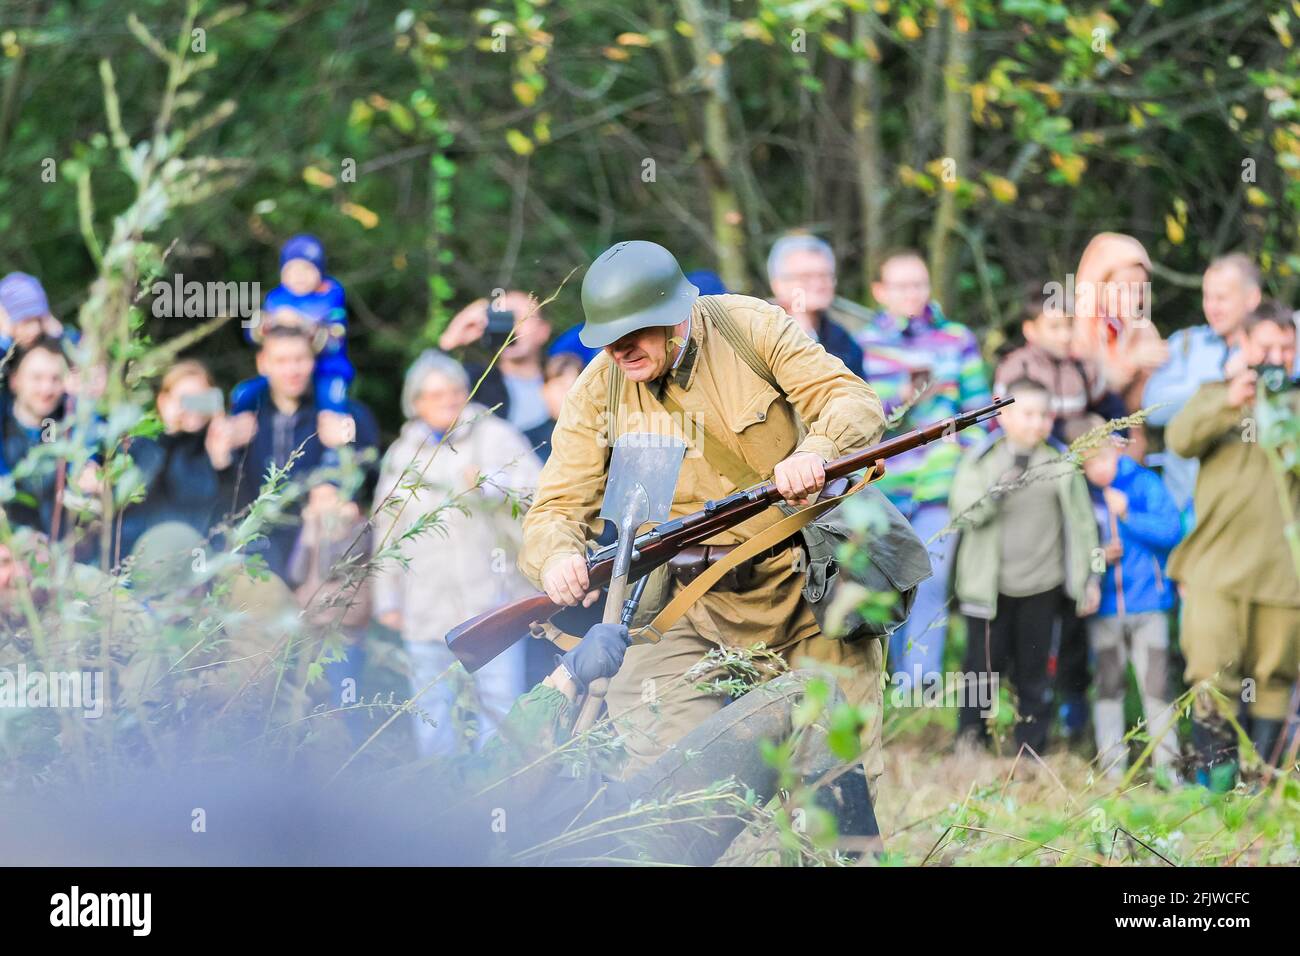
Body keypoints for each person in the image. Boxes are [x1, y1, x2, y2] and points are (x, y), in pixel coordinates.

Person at [521, 239, 893, 779]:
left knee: (833, 780)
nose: (619, 351)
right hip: (687, 606)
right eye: (607, 340)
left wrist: (816, 452)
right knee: (665, 771)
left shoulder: (751, 327)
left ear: (674, 318)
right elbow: (555, 506)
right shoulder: (599, 388)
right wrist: (557, 558)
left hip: (807, 595)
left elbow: (851, 399)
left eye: (632, 334)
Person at [371, 351, 542, 756]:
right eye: (435, 395)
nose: (449, 402)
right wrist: (386, 598)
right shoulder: (402, 453)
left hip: (493, 604)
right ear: (415, 404)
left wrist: (491, 487)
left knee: (500, 708)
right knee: (432, 710)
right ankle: (442, 800)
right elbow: (388, 530)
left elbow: (539, 495)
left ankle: (494, 791)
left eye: (455, 392)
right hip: (424, 606)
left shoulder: (495, 435)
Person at [1165, 300, 1300, 789]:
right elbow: (1179, 440)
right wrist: (1231, 400)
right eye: (1267, 346)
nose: (1278, 356)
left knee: (1274, 681)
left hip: (1283, 574)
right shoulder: (1214, 394)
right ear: (1242, 346)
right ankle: (1213, 794)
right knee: (1210, 677)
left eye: (1288, 347)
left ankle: (1261, 789)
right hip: (1215, 569)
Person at [857, 249, 992, 688]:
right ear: (879, 292)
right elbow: (858, 419)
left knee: (931, 576)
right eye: (900, 286)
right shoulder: (862, 344)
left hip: (940, 478)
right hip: (881, 484)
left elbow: (981, 413)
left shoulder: (957, 338)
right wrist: (907, 396)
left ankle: (922, 682)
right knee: (890, 586)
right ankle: (896, 686)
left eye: (918, 283)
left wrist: (962, 446)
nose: (911, 294)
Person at [949, 378, 1100, 754]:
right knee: (981, 672)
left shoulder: (1061, 462)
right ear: (1004, 416)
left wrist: (1090, 578)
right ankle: (971, 741)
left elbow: (1084, 527)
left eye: (1045, 415)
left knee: (1034, 674)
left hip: (1042, 587)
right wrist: (997, 490)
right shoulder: (982, 459)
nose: (1038, 423)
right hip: (989, 588)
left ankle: (1030, 748)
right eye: (1028, 414)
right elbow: (963, 515)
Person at [1066, 414, 1182, 778]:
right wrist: (1100, 555)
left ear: (1117, 448)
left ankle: (1169, 771)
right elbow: (1078, 550)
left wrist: (1129, 514)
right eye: (1088, 464)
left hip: (1149, 606)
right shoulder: (1082, 495)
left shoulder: (1144, 484)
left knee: (1158, 690)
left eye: (1101, 458)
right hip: (1106, 613)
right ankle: (1113, 771)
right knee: (1108, 690)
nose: (1097, 470)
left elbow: (1171, 531)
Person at [226, 325, 379, 581]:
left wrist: (348, 446)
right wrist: (222, 453)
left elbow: (375, 479)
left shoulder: (345, 413)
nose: (292, 370)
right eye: (281, 360)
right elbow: (223, 490)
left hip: (321, 559)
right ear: (263, 363)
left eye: (300, 359)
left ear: (313, 361)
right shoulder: (244, 417)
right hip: (259, 555)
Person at [1142, 253, 1262, 516]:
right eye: (1208, 297)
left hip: (1249, 502)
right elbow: (1151, 407)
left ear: (1252, 299)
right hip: (1188, 502)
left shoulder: (1273, 347)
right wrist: (1220, 387)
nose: (1212, 307)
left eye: (1222, 298)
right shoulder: (1185, 343)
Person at [118, 360, 240, 558]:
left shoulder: (218, 449)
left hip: (198, 561)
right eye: (185, 399)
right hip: (142, 559)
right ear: (163, 400)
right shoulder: (143, 445)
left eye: (200, 400)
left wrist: (222, 463)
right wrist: (170, 431)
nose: (192, 407)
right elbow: (140, 501)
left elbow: (233, 512)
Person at [286, 479, 372, 733]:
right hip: (311, 629)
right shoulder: (314, 529)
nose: (319, 506)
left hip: (343, 630)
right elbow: (295, 573)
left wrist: (336, 528)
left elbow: (331, 569)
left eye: (326, 498)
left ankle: (350, 753)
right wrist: (309, 533)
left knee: (343, 700)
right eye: (314, 499)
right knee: (311, 701)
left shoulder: (360, 530)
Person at [231, 234, 352, 415]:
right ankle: (235, 437)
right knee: (242, 395)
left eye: (307, 269)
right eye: (292, 270)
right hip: (281, 374)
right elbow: (252, 334)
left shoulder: (330, 297)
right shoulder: (276, 299)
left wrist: (304, 324)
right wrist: (268, 323)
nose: (299, 276)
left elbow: (335, 342)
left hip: (326, 373)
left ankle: (339, 443)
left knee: (332, 403)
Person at [1071, 232, 1168, 415]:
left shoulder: (1143, 330)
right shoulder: (1076, 329)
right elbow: (1084, 390)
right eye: (1121, 288)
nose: (1130, 299)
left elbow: (1142, 407)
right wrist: (1131, 363)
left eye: (1138, 290)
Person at [995, 288, 1107, 443]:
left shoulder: (1084, 368)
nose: (1065, 336)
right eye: (1054, 327)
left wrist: (1114, 433)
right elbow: (1001, 422)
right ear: (1030, 330)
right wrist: (1065, 430)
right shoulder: (1016, 368)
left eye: (1070, 326)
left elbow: (1108, 409)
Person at [437, 290, 552, 435]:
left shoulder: (567, 378)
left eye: (523, 318)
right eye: (504, 318)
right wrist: (449, 340)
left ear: (543, 331)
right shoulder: (475, 382)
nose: (512, 327)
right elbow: (422, 392)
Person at [766, 234, 866, 379]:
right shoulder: (756, 333)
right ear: (778, 285)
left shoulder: (843, 342)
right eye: (805, 277)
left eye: (825, 275)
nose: (818, 284)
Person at [0, 338, 70, 533]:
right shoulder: (4, 426)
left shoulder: (62, 427)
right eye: (37, 378)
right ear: (15, 381)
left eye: (55, 379)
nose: (46, 389)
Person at [523, 352, 583, 463]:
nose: (568, 395)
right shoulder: (527, 440)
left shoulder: (595, 436)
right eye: (561, 386)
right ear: (544, 389)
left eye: (574, 387)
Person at [0, 272, 66, 352]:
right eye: (26, 321)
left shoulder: (44, 342)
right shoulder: (4, 348)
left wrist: (58, 335)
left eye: (38, 320)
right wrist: (5, 338)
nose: (35, 329)